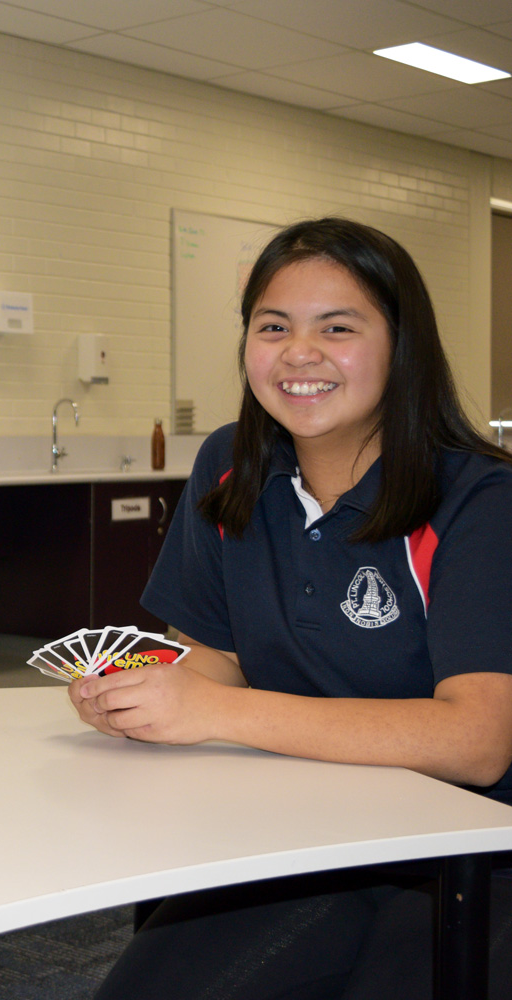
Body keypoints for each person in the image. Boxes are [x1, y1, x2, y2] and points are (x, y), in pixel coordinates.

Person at [71, 217, 512, 998]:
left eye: (337, 327)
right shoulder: (228, 465)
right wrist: (147, 693)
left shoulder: (479, 498)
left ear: (402, 345)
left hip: (476, 849)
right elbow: (214, 657)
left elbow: (477, 742)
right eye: (273, 326)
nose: (299, 352)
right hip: (311, 833)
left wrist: (215, 712)